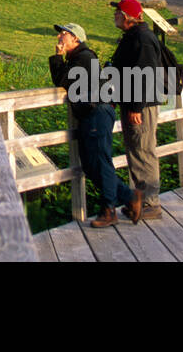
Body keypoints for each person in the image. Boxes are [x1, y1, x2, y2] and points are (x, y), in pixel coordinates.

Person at [48, 22, 142, 227]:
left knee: (100, 162)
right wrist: (59, 58)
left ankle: (109, 210)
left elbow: (62, 79)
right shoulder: (78, 58)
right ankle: (129, 196)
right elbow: (63, 79)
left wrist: (57, 58)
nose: (59, 38)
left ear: (76, 39)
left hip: (96, 112)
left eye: (64, 34)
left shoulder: (84, 58)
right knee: (91, 166)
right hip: (92, 113)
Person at [109, 0, 165, 221]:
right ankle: (138, 201)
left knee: (143, 151)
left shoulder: (142, 38)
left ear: (126, 16)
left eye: (117, 12)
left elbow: (145, 76)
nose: (114, 16)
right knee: (136, 151)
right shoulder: (134, 36)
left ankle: (151, 203)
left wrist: (135, 107)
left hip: (141, 106)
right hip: (136, 104)